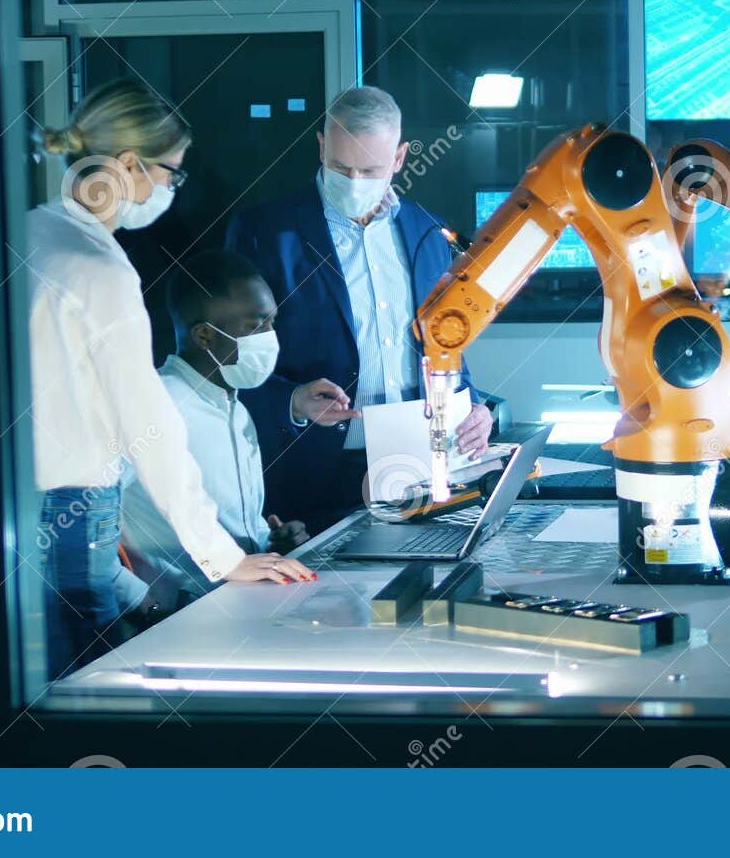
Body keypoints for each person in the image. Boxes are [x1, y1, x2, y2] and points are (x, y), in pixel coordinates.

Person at [29, 79, 312, 679]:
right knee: (87, 686)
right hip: (75, 510)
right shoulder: (100, 270)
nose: (172, 189)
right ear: (129, 165)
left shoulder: (28, 236)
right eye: (171, 173)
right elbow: (147, 425)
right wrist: (223, 559)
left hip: (8, 504)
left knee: (40, 685)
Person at [226, 86, 492, 531]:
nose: (352, 181)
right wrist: (290, 400)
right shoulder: (264, 233)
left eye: (369, 170)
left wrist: (476, 408)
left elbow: (447, 347)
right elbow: (224, 361)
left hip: (420, 472)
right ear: (320, 146)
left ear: (401, 157)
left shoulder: (428, 234)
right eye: (339, 166)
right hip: (309, 478)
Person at [116, 250, 315, 612]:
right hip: (180, 619)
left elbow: (232, 529)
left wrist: (271, 545)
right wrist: (139, 604)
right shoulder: (151, 405)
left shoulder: (237, 410)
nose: (271, 338)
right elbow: (81, 521)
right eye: (256, 326)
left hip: (249, 606)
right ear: (205, 335)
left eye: (272, 322)